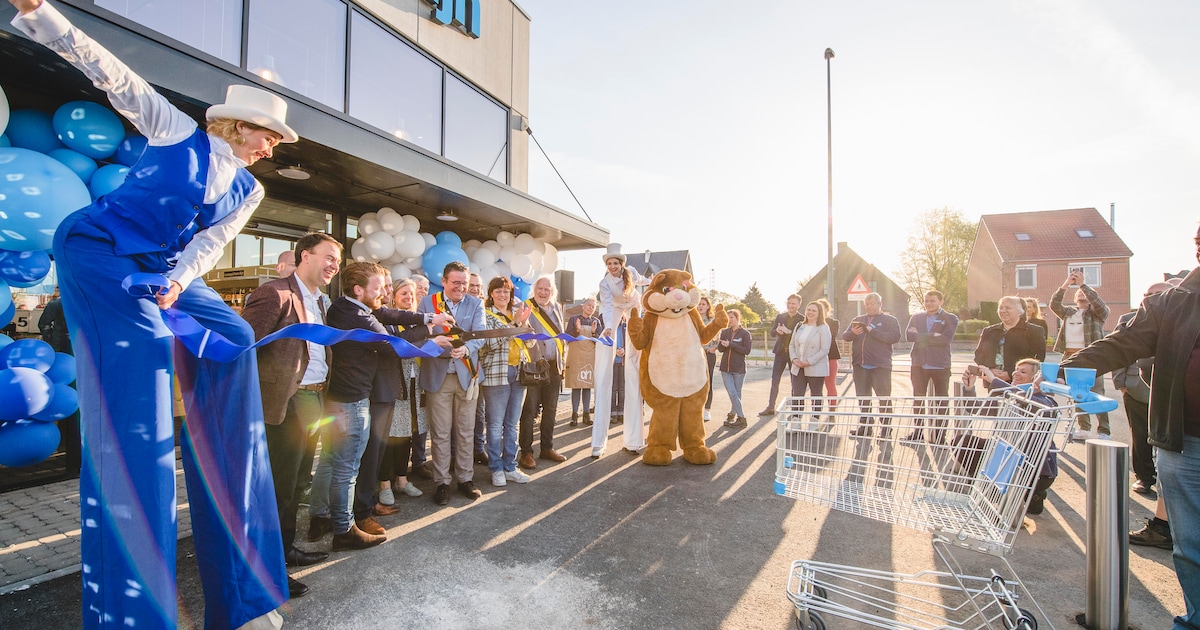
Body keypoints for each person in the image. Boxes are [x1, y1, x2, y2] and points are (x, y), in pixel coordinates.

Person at [11, 1, 297, 625]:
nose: (272, 149)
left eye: (277, 141)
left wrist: (175, 283)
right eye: (269, 136)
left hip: (163, 268)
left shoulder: (252, 190)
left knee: (235, 333)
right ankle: (134, 615)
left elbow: (208, 245)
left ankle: (242, 594)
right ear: (238, 126)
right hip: (100, 252)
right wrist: (42, 15)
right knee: (141, 370)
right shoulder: (175, 131)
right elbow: (111, 74)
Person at [1057, 223, 1200, 629]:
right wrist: (1064, 372)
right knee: (1190, 548)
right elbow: (1122, 343)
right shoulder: (1176, 302)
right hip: (1186, 442)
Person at [310, 263, 450, 550]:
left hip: (345, 396)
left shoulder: (347, 306)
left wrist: (428, 316)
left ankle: (320, 517)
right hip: (352, 399)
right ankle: (345, 527)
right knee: (347, 468)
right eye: (379, 288)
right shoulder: (356, 315)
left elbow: (388, 313)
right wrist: (430, 333)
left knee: (332, 462)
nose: (384, 293)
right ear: (359, 290)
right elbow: (392, 342)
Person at [242, 232, 341, 599]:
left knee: (298, 484)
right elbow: (245, 345)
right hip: (286, 404)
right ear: (304, 256)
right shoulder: (276, 292)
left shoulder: (321, 302)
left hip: (314, 400)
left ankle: (284, 550)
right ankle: (269, 569)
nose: (334, 265)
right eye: (328, 257)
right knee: (280, 489)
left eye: (337, 260)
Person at [418, 261, 487, 506]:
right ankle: (442, 482)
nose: (460, 288)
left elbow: (479, 335)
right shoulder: (428, 303)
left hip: (466, 375)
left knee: (466, 431)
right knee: (440, 432)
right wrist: (436, 339)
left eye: (464, 283)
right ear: (444, 281)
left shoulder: (476, 303)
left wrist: (466, 349)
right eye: (455, 282)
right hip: (438, 375)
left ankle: (466, 479)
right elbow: (419, 334)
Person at [962, 359, 1058, 515]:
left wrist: (994, 380)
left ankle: (1027, 494)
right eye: (1016, 369)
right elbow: (976, 408)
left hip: (1034, 469)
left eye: (1023, 371)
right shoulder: (1010, 397)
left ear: (1036, 379)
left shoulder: (1044, 401)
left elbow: (1032, 404)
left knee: (1007, 458)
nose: (1016, 373)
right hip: (1009, 458)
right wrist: (969, 387)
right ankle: (1001, 492)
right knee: (965, 443)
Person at [1113, 281, 1173, 495]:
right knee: (1140, 435)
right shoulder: (1129, 320)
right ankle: (1144, 477)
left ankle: (1169, 484)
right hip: (1136, 388)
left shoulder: (1182, 318)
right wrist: (1121, 384)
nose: (1151, 299)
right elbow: (1119, 351)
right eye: (1148, 294)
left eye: (1158, 294)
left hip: (1171, 392)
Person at [591, 243, 651, 457]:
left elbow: (644, 282)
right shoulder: (604, 282)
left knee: (633, 362)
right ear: (606, 265)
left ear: (621, 264)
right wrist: (608, 326)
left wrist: (656, 282)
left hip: (634, 306)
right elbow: (607, 305)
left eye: (615, 263)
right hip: (615, 309)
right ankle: (598, 442)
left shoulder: (631, 272)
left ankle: (634, 440)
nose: (613, 266)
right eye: (609, 263)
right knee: (606, 347)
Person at [479, 275, 533, 486]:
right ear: (491, 294)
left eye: (506, 291)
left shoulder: (516, 313)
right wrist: (514, 325)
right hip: (496, 374)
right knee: (494, 425)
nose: (503, 295)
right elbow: (489, 344)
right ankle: (496, 468)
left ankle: (510, 466)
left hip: (519, 372)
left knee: (512, 424)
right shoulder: (485, 315)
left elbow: (527, 344)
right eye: (498, 291)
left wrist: (526, 329)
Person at [377, 278, 427, 504]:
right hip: (396, 385)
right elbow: (397, 344)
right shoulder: (388, 321)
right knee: (391, 437)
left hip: (416, 385)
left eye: (412, 294)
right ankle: (384, 484)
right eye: (404, 293)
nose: (408, 298)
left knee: (407, 435)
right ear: (394, 296)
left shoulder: (416, 322)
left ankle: (402, 479)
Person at [1049, 270, 1111, 438]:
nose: (1083, 296)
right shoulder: (1069, 312)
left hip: (1092, 358)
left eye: (1086, 294)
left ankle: (1104, 430)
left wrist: (1083, 284)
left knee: (1097, 393)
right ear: (1075, 298)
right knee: (1078, 393)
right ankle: (1084, 428)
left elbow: (1099, 305)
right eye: (1080, 294)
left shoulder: (1098, 314)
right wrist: (1066, 284)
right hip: (1071, 357)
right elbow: (1054, 305)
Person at [519, 276, 569, 465]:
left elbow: (561, 337)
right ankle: (526, 451)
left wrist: (562, 362)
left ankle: (547, 448)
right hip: (533, 365)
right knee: (530, 409)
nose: (543, 292)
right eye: (540, 288)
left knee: (551, 409)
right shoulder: (526, 306)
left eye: (547, 289)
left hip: (553, 366)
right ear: (535, 289)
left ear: (552, 291)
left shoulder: (556, 307)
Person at [842, 293, 902, 437]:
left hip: (880, 366)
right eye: (867, 304)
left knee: (883, 398)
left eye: (873, 304)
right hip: (860, 365)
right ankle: (866, 427)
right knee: (863, 397)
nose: (870, 306)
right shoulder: (858, 320)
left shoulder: (889, 320)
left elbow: (894, 337)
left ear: (880, 304)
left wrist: (872, 331)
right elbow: (845, 336)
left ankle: (886, 429)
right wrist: (853, 332)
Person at [905, 290, 959, 442]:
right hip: (918, 364)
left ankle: (939, 435)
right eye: (926, 301)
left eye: (932, 301)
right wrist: (932, 335)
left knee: (941, 401)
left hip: (940, 365)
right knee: (918, 399)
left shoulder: (950, 318)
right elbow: (909, 336)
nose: (929, 304)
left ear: (941, 302)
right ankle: (918, 433)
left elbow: (945, 339)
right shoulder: (916, 317)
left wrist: (920, 335)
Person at [972, 296, 1046, 385]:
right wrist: (990, 369)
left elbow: (1038, 358)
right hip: (992, 380)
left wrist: (1011, 373)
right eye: (1001, 308)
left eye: (1008, 308)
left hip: (1021, 382)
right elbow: (979, 355)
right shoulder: (989, 331)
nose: (1003, 311)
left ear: (1020, 312)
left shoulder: (1034, 331)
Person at [788, 301, 832, 428]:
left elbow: (824, 350)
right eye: (809, 309)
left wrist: (809, 361)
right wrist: (794, 359)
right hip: (798, 366)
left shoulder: (823, 327)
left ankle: (814, 421)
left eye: (814, 310)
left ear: (819, 313)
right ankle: (796, 421)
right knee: (797, 394)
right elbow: (792, 345)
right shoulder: (799, 325)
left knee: (816, 393)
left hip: (815, 366)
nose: (810, 312)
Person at [759, 294, 803, 416]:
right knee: (775, 380)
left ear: (799, 305)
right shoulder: (780, 316)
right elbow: (772, 332)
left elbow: (802, 336)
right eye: (788, 303)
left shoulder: (802, 319)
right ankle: (771, 406)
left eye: (793, 303)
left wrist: (789, 332)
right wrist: (777, 331)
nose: (790, 305)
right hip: (780, 352)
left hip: (794, 354)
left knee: (794, 381)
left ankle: (795, 410)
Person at [408, 274, 434, 479]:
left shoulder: (429, 313)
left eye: (426, 289)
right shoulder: (401, 314)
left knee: (421, 421)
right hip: (403, 375)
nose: (422, 292)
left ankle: (418, 461)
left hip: (423, 373)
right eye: (419, 287)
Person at [566, 297, 601, 426]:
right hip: (575, 356)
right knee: (576, 385)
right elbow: (567, 337)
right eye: (588, 305)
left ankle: (586, 414)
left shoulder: (596, 322)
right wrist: (576, 330)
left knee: (587, 386)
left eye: (593, 306)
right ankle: (574, 415)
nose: (590, 308)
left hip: (589, 357)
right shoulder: (573, 319)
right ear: (583, 306)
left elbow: (599, 341)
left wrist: (593, 333)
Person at [718, 308, 753, 429]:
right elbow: (721, 349)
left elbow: (746, 351)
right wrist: (720, 343)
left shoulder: (745, 334)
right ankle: (742, 418)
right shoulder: (725, 332)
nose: (729, 320)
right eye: (728, 318)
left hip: (739, 369)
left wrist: (731, 344)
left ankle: (733, 414)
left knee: (736, 394)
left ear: (738, 319)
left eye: (731, 318)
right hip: (725, 369)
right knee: (732, 393)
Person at [467, 272, 489, 465]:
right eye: (471, 285)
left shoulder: (485, 310)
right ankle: (456, 453)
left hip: (481, 371)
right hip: (463, 367)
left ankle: (478, 448)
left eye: (478, 286)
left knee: (479, 413)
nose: (475, 289)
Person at [816, 298, 841, 411]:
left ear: (827, 310)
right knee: (815, 385)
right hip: (815, 358)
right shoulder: (812, 323)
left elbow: (831, 337)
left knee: (830, 383)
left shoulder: (834, 323)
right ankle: (815, 409)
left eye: (822, 308)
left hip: (831, 356)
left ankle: (832, 408)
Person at [698, 296, 719, 420]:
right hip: (695, 354)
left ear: (707, 306)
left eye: (703, 304)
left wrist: (715, 348)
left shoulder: (712, 320)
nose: (701, 306)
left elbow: (719, 336)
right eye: (699, 304)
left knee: (708, 381)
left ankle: (707, 409)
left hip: (708, 353)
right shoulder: (692, 319)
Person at [37, 288, 71, 354]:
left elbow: (43, 324)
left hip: (61, 341)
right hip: (60, 342)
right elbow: (43, 324)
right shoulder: (56, 303)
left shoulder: (55, 303)